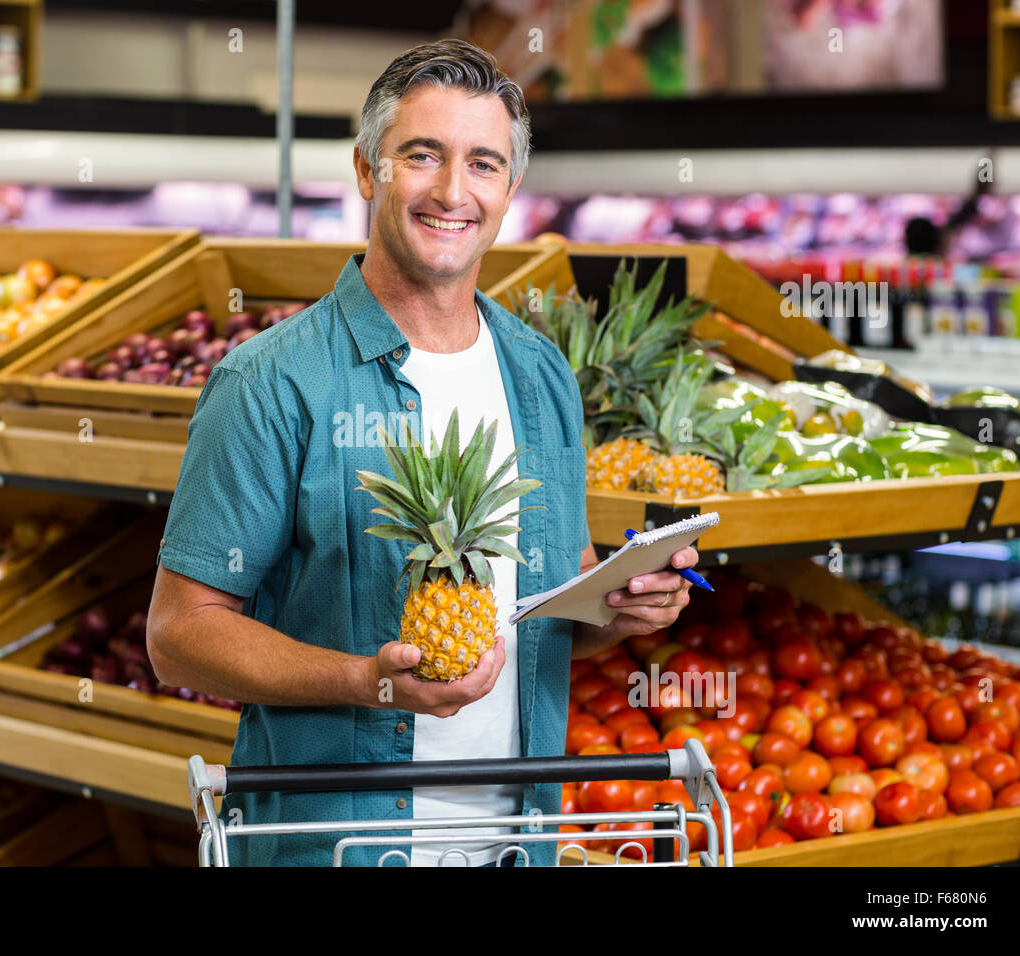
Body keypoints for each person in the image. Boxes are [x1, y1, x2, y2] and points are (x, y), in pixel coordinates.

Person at [146, 38, 698, 867]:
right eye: (421, 155)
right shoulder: (269, 382)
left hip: (518, 843)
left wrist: (619, 611)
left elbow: (552, 607)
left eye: (482, 163)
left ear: (509, 190)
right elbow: (179, 633)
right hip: (337, 844)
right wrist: (366, 680)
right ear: (368, 171)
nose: (452, 191)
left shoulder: (540, 373)